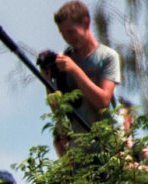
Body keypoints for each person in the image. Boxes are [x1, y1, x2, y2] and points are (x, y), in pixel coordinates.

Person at [49, 0, 121, 153]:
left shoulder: (107, 57)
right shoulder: (66, 60)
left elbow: (103, 101)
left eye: (71, 32)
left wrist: (75, 70)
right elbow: (58, 110)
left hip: (109, 142)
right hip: (81, 147)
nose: (67, 39)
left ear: (86, 23)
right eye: (63, 34)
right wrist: (47, 80)